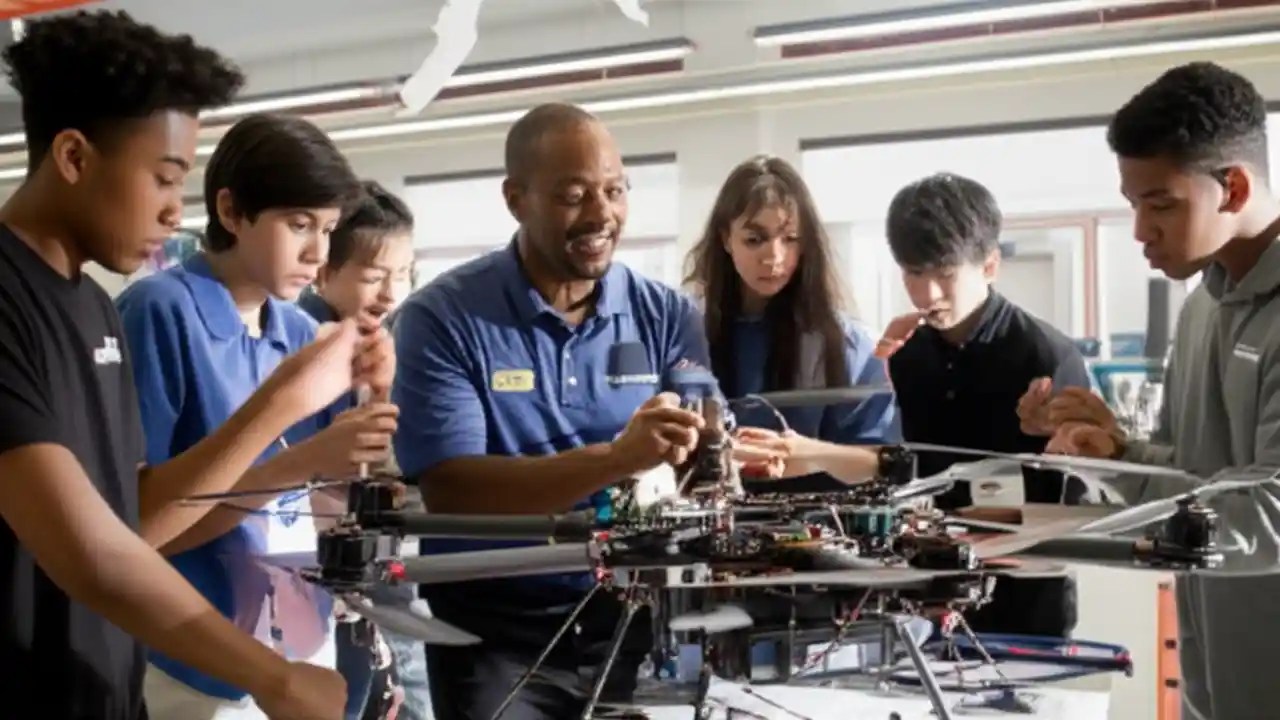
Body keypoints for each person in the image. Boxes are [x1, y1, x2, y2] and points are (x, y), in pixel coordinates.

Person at [0, 10, 383, 720]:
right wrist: (273, 677)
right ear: (75, 157)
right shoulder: (17, 299)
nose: (176, 213)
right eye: (163, 179)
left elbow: (135, 519)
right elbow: (92, 553)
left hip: (103, 687)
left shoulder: (91, 307)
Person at [391, 102, 711, 720]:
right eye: (573, 195)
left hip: (631, 618)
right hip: (492, 630)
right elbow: (454, 488)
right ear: (516, 199)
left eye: (614, 190)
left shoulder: (666, 314)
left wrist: (710, 447)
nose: (601, 214)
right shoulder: (443, 318)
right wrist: (616, 458)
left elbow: (706, 447)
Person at [115, 113, 399, 719]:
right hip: (193, 661)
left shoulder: (297, 330)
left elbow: (331, 499)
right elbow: (134, 532)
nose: (317, 252)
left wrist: (374, 400)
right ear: (231, 211)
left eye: (327, 229)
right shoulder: (161, 312)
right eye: (298, 224)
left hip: (298, 641)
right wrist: (297, 463)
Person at [1021, 62, 1280, 720]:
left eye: (1160, 204)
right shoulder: (1201, 309)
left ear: (1233, 187)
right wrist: (1115, 452)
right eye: (1133, 203)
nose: (1140, 230)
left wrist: (1070, 536)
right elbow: (1193, 474)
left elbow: (1272, 512)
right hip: (1211, 678)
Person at [871, 172, 1091, 638]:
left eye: (945, 274)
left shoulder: (1047, 357)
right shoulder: (905, 358)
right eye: (914, 273)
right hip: (927, 595)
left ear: (990, 266)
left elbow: (1078, 500)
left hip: (1026, 599)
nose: (928, 294)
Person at [682, 154, 899, 490]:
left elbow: (881, 464)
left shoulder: (846, 343)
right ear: (726, 239)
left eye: (790, 238)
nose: (774, 257)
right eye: (755, 239)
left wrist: (805, 452)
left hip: (821, 519)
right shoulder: (685, 335)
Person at [297, 180, 429, 720]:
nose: (393, 293)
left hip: (366, 560)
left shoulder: (369, 340)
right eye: (375, 277)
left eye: (404, 274)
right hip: (316, 570)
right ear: (324, 269)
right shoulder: (303, 343)